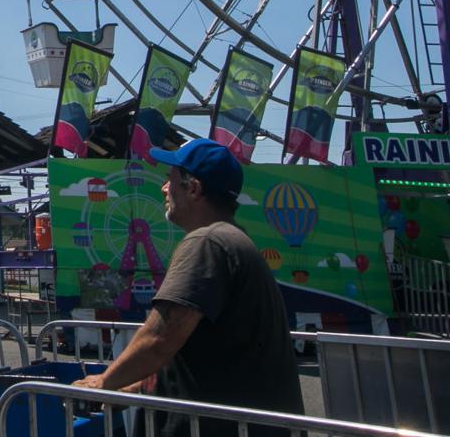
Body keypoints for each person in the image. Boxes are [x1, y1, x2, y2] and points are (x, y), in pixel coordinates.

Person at [73, 138, 303, 436]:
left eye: (170, 180)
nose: (164, 189)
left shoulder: (207, 243)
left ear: (193, 188)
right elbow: (200, 357)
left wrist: (104, 383)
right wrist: (129, 389)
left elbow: (160, 339)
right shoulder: (233, 240)